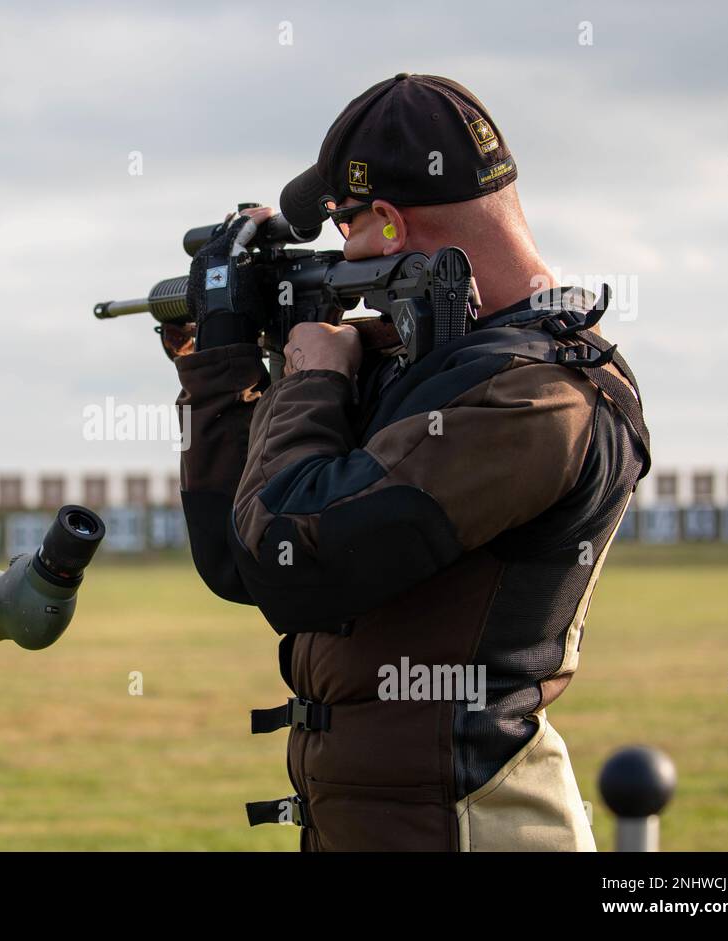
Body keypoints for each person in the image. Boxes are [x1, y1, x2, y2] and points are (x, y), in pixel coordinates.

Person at [162, 73, 652, 851]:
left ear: (388, 223)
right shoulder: (419, 365)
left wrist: (317, 375)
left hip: (472, 826)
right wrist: (226, 363)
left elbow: (291, 556)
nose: (343, 254)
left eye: (346, 228)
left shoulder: (541, 395)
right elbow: (236, 555)